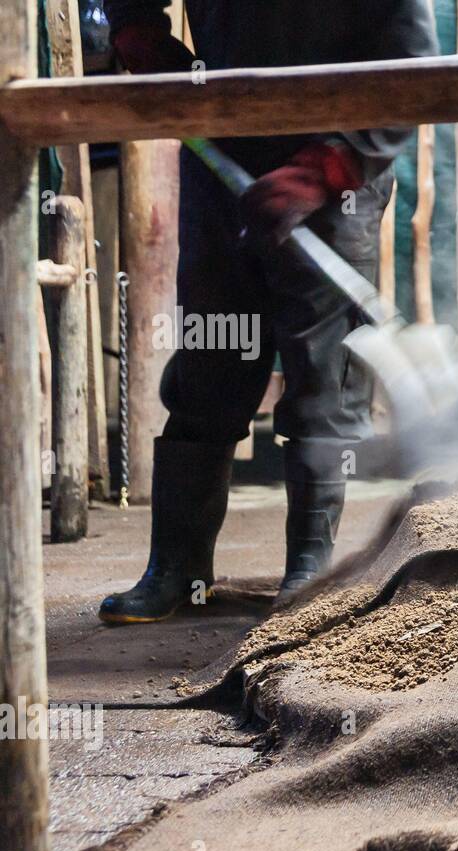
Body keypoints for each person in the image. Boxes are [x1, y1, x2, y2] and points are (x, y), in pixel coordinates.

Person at [98, 1, 438, 623]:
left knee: (321, 370)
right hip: (223, 141)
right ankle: (176, 568)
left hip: (337, 166)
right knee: (210, 355)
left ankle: (308, 577)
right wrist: (135, 26)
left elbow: (413, 64)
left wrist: (329, 166)